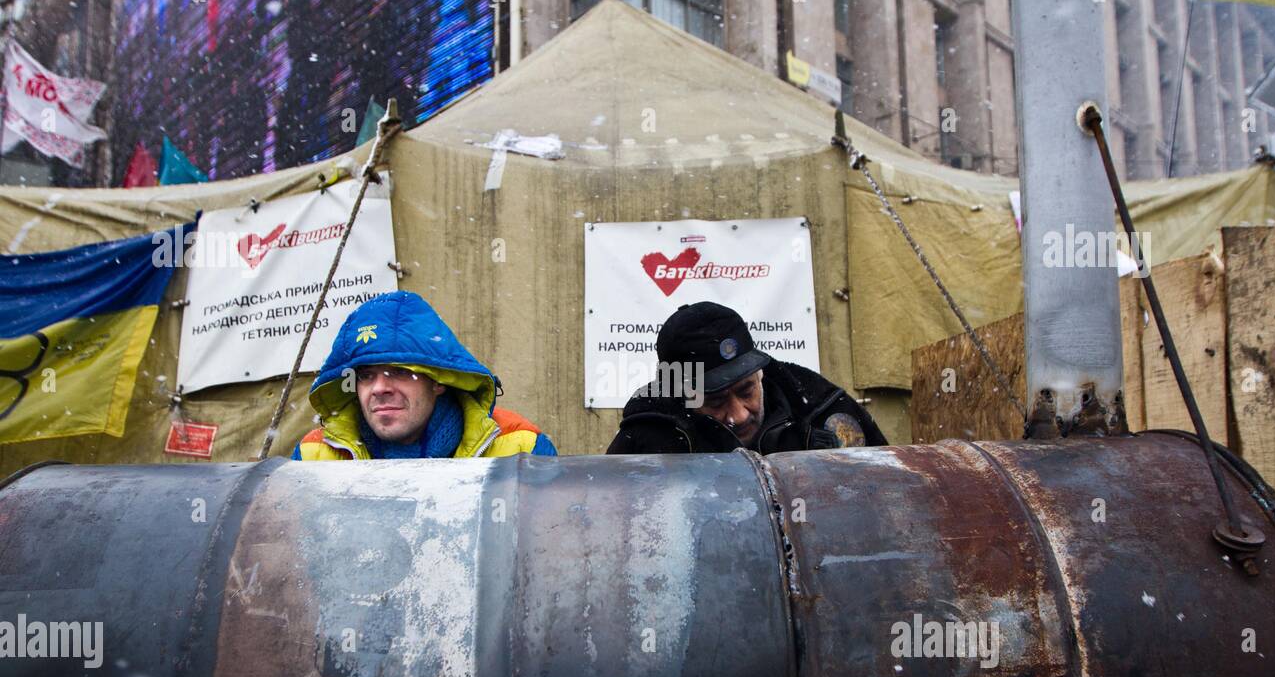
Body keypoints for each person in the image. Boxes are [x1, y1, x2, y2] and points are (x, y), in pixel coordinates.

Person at [293, 291, 556, 460]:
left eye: (400, 372)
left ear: (439, 380)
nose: (379, 387)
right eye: (366, 375)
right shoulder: (315, 456)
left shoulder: (518, 449)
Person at [606, 301, 887, 455]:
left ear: (760, 373)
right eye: (715, 400)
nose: (739, 415)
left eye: (746, 390)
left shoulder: (823, 411)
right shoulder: (646, 441)